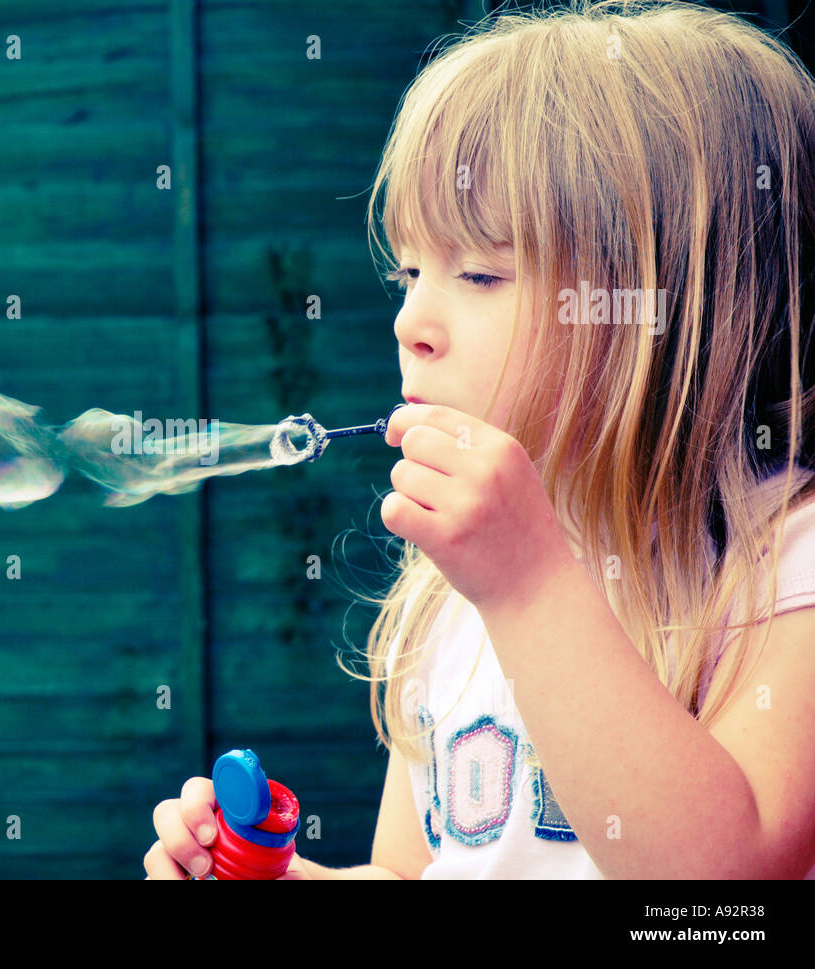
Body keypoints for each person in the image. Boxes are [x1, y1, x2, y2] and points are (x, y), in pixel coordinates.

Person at [145, 0, 815, 879]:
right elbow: (407, 874)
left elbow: (722, 891)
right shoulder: (449, 598)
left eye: (481, 272)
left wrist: (529, 585)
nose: (411, 322)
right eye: (409, 271)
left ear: (668, 308)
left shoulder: (783, 565)